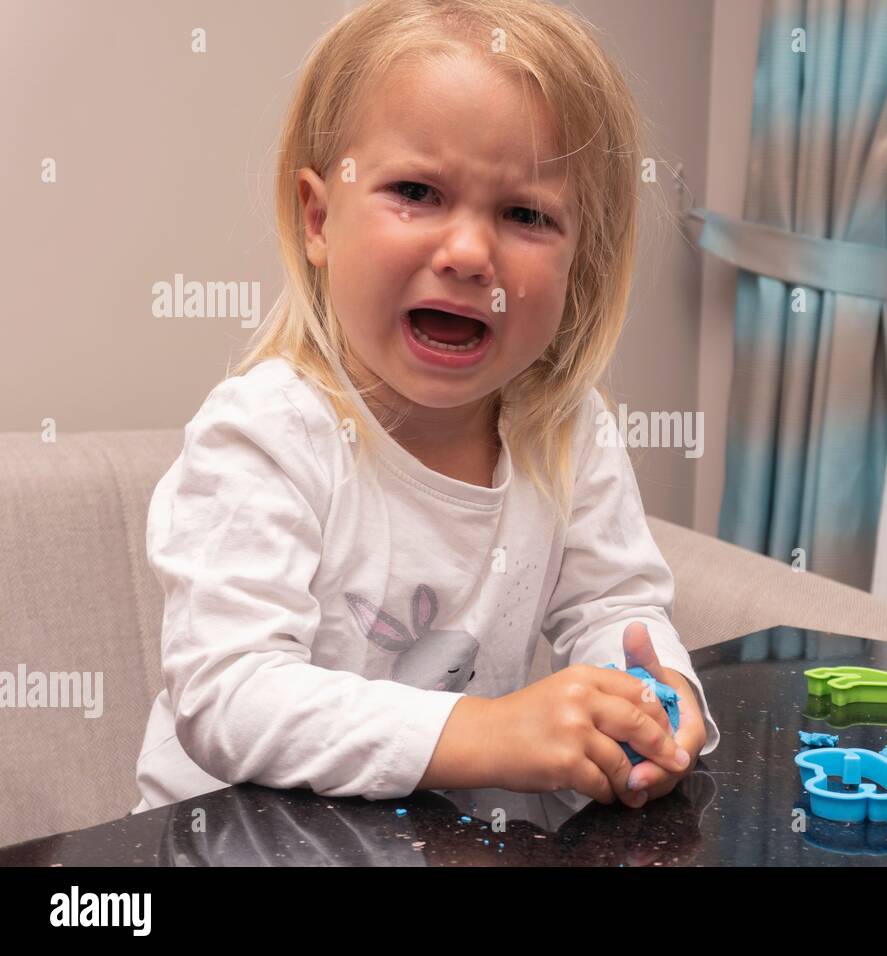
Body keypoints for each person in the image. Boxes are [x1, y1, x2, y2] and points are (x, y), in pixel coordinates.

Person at [132, 0, 719, 814]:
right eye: (417, 191)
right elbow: (227, 695)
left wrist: (660, 697)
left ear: (581, 256)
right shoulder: (266, 435)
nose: (471, 253)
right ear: (319, 217)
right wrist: (484, 733)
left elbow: (614, 605)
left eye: (526, 214)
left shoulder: (566, 432)